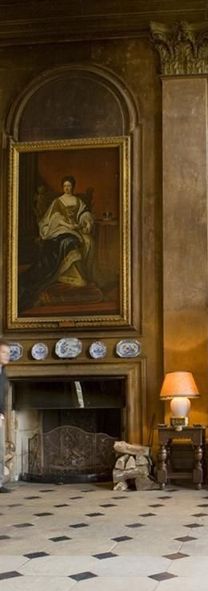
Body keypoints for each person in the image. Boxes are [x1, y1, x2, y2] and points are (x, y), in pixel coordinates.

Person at [19, 176, 100, 311]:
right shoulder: (58, 201)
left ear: (73, 187)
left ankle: (83, 273)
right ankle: (70, 276)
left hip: (76, 228)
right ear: (63, 187)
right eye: (65, 186)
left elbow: (83, 213)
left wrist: (84, 220)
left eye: (69, 186)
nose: (67, 188)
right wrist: (66, 224)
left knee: (89, 241)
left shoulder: (78, 201)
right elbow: (52, 218)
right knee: (68, 242)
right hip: (61, 229)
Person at [0, 338, 11, 493]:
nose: (7, 355)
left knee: (0, 450)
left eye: (8, 352)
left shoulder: (3, 372)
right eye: (3, 352)